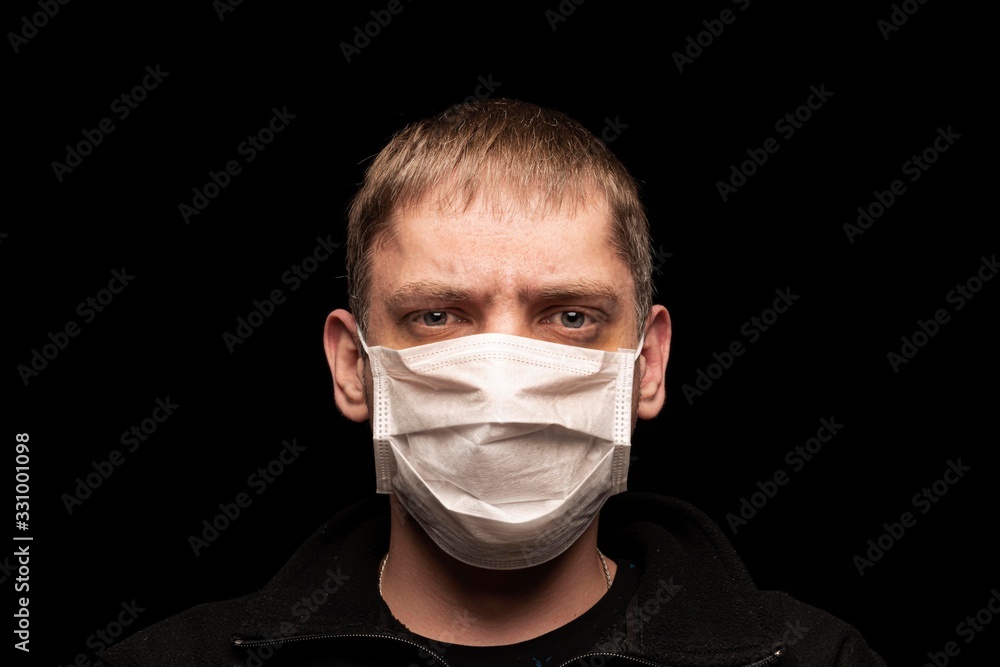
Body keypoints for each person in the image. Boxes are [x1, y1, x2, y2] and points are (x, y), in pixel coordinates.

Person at [102, 98, 886, 666]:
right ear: (352, 366)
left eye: (570, 316)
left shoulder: (812, 660)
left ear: (647, 364)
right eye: (439, 315)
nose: (502, 381)